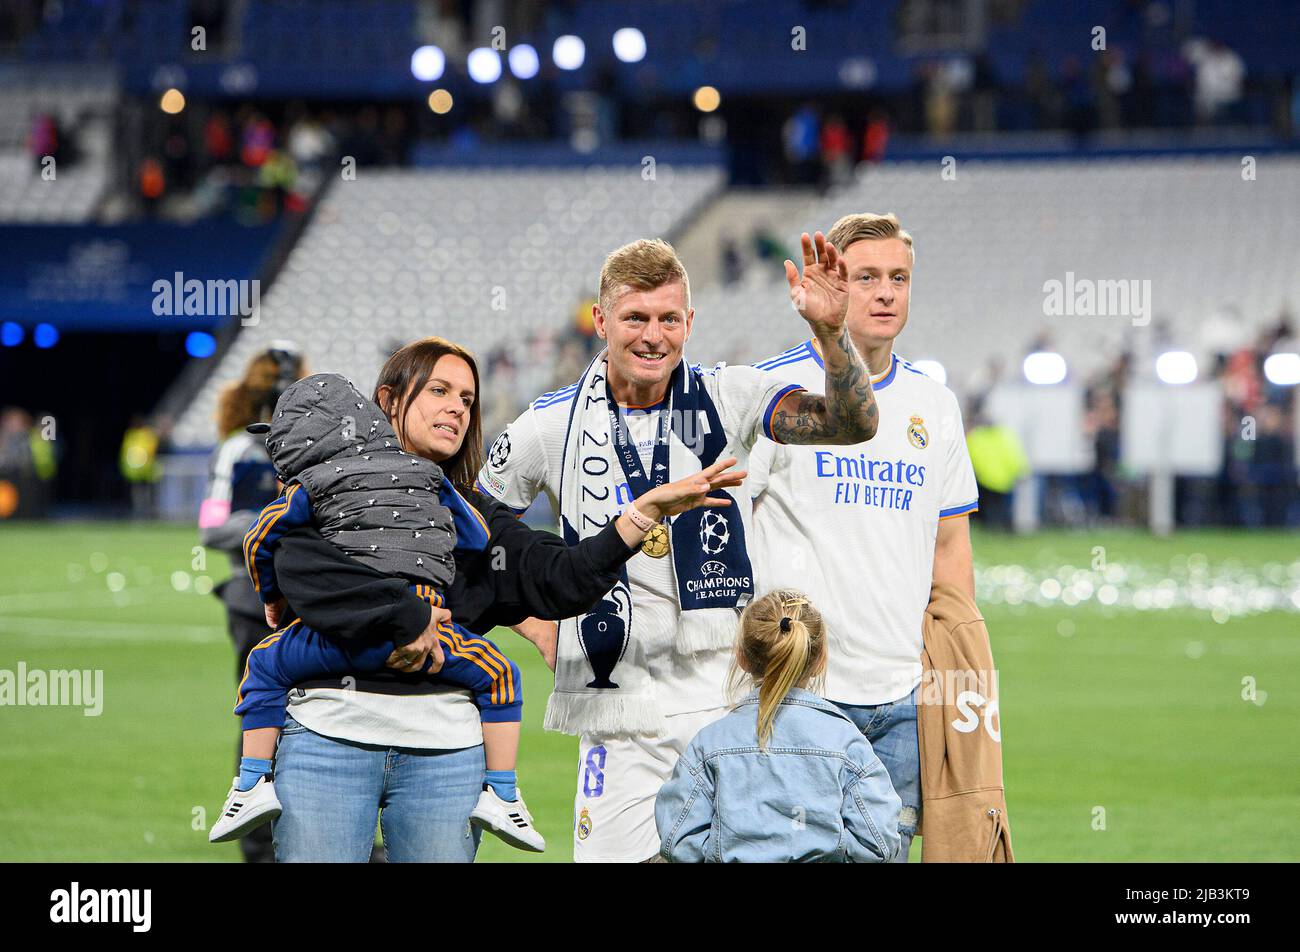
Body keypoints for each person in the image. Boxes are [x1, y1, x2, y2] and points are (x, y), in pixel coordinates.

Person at [255, 336, 747, 862]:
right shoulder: (333, 487)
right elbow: (301, 570)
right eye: (440, 390)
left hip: (444, 753)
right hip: (326, 735)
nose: (456, 409)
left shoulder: (476, 519)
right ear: (389, 400)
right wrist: (407, 617)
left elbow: (564, 576)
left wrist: (641, 514)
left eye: (468, 400)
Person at [476, 236, 879, 862]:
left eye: (669, 318)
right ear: (601, 320)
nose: (652, 336)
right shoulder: (549, 424)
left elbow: (852, 425)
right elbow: (475, 530)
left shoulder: (728, 396)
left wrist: (832, 336)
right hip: (618, 703)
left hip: (729, 695)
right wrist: (536, 623)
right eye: (635, 317)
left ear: (690, 322)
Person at [207, 373, 541, 852]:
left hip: (335, 644)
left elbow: (261, 536)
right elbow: (475, 533)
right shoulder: (428, 477)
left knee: (262, 665)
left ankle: (250, 785)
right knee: (500, 674)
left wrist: (271, 595)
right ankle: (504, 793)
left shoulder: (311, 483)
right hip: (434, 638)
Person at [748, 212, 981, 861]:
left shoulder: (934, 405)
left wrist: (956, 664)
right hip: (798, 690)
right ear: (832, 284)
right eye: (867, 277)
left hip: (902, 698)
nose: (885, 292)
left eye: (899, 278)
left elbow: (949, 545)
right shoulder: (771, 392)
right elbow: (729, 529)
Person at [654, 590, 901, 862]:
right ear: (819, 661)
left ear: (742, 658)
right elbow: (878, 841)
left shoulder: (709, 743)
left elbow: (679, 838)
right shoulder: (846, 742)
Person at [198, 344, 305, 862]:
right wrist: (269, 524)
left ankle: (310, 832)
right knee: (262, 715)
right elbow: (211, 529)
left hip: (307, 597)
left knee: (307, 715)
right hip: (253, 597)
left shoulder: (310, 443)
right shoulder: (238, 450)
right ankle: (260, 845)